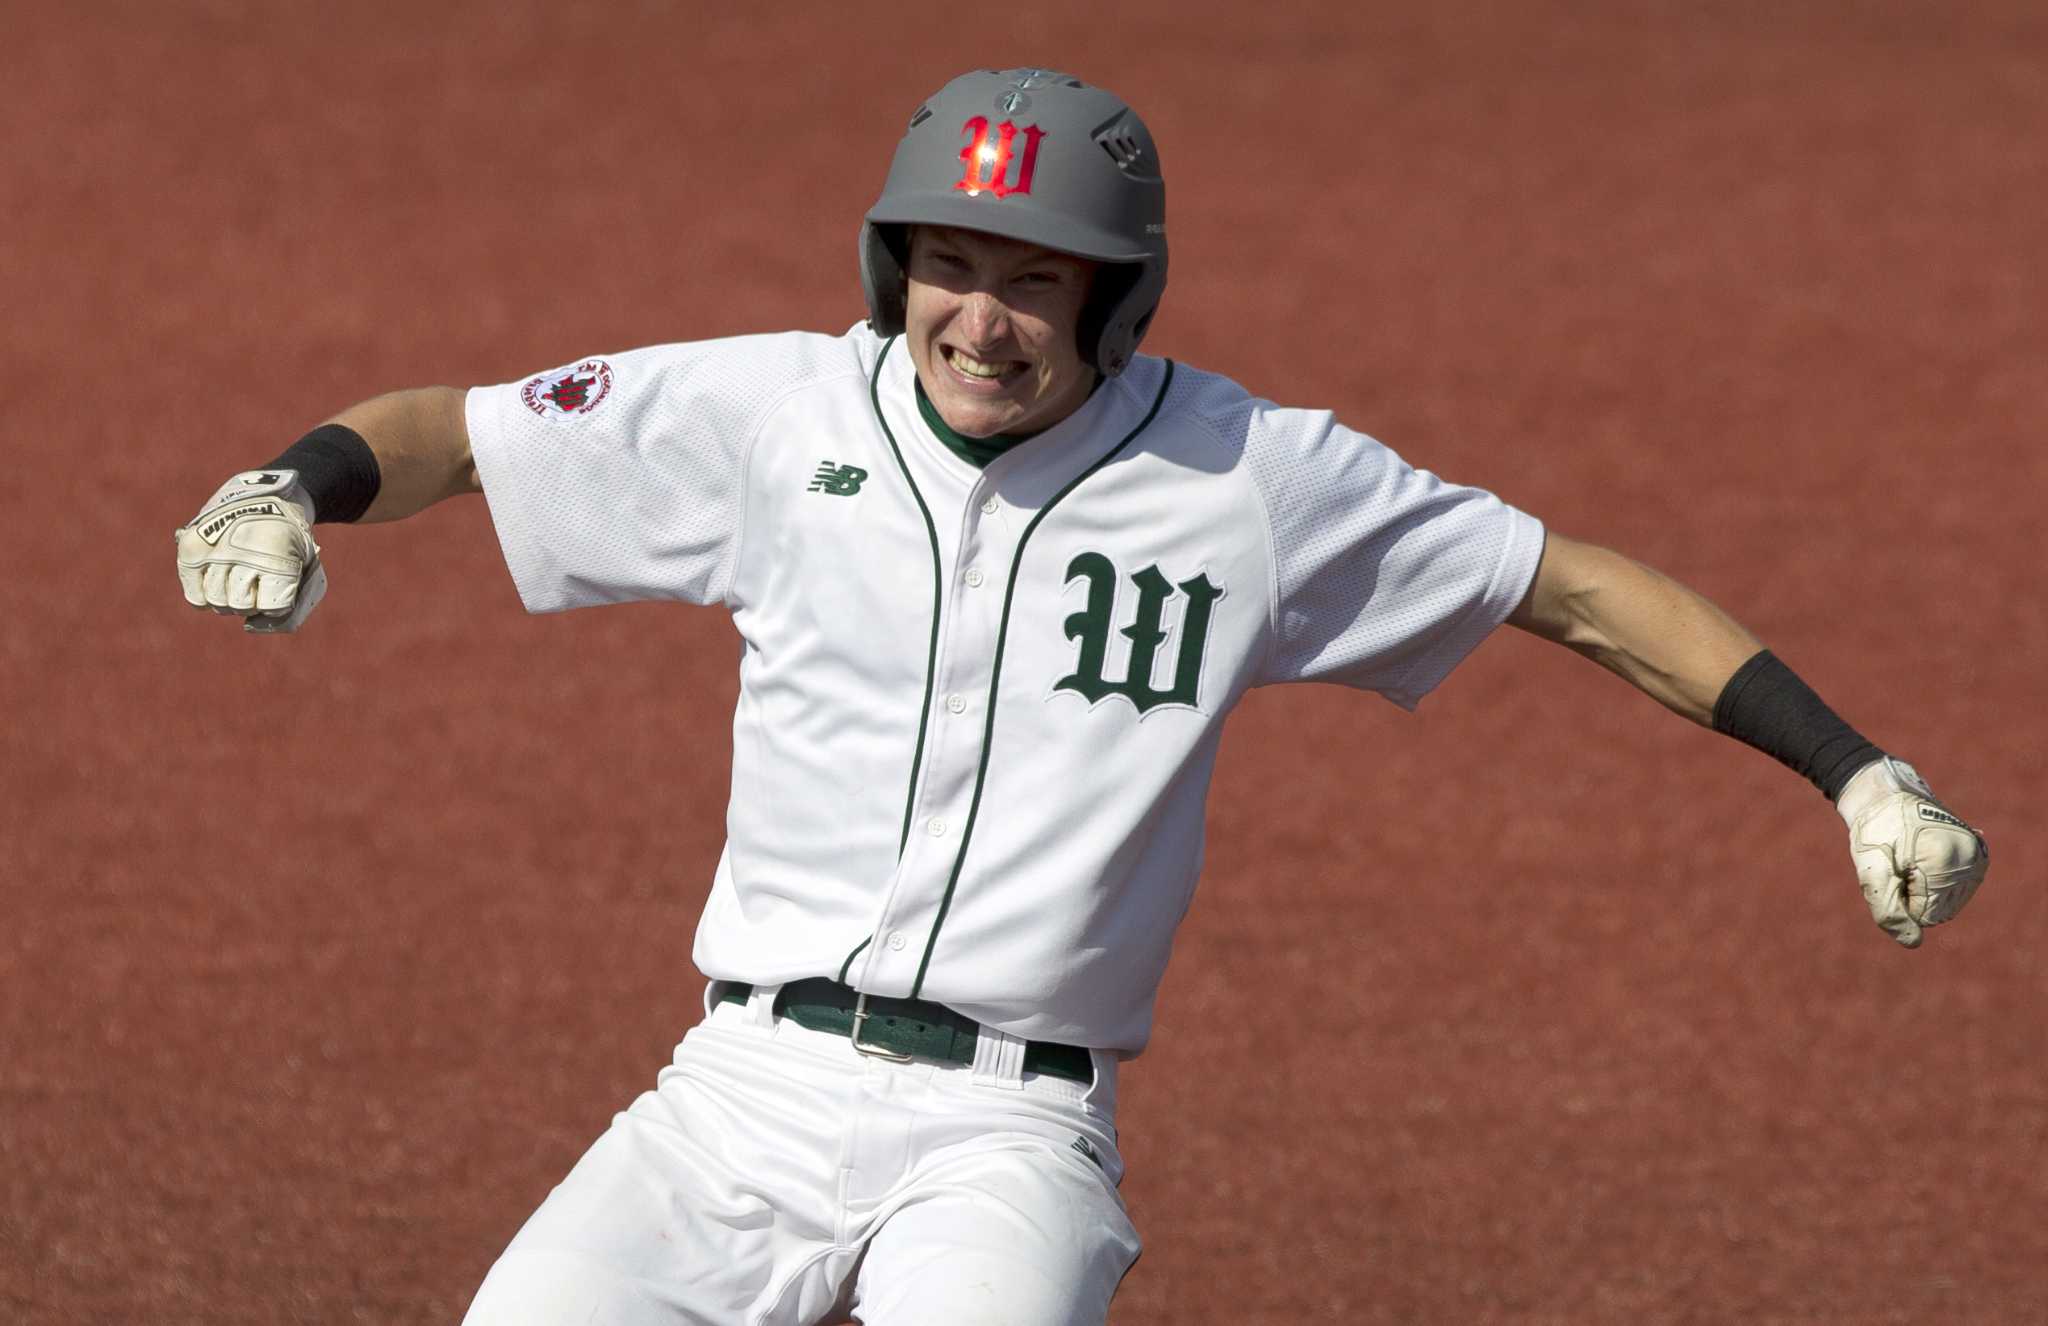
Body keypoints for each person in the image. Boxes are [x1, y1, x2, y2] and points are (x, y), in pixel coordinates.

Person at [173, 67, 1988, 1326]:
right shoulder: (782, 413)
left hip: (1009, 1126)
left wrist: (1851, 771)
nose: (979, 317)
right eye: (947, 267)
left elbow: (1573, 591)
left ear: (1113, 300)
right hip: (734, 1090)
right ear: (894, 267)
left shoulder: (1255, 478)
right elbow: (456, 435)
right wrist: (284, 485)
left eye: (1031, 279)